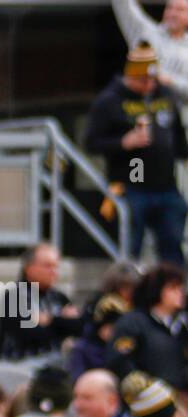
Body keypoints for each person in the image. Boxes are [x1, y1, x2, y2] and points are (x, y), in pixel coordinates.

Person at [85, 42, 188, 267]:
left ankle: (172, 294)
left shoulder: (165, 95)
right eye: (144, 80)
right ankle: (128, 292)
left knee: (172, 245)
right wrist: (124, 142)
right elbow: (91, 143)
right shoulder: (110, 101)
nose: (150, 85)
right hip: (131, 185)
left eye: (153, 79)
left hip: (166, 187)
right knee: (131, 249)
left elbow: (178, 137)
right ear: (131, 76)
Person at [107, 263, 188, 393]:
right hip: (146, 400)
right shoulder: (133, 323)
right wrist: (144, 387)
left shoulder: (182, 325)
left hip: (180, 399)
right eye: (173, 288)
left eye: (181, 287)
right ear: (157, 289)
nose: (180, 293)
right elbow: (119, 360)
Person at [0, 243, 82, 359]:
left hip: (56, 362)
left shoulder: (59, 297)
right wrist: (62, 320)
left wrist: (50, 319)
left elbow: (79, 327)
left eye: (56, 266)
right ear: (29, 268)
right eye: (47, 266)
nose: (54, 272)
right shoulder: (13, 297)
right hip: (20, 363)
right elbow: (32, 334)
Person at [69, 261, 141, 379]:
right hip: (97, 353)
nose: (127, 293)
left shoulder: (140, 309)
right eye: (123, 287)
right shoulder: (99, 304)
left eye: (131, 288)